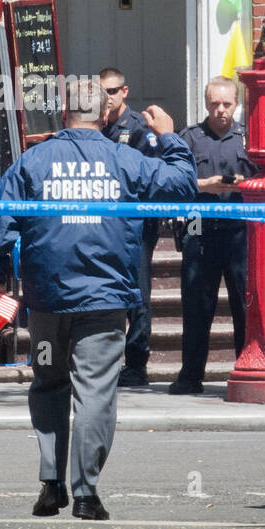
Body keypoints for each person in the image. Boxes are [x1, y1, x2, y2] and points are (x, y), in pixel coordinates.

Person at [0, 78, 198, 521]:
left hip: (47, 300)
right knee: (95, 393)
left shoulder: (33, 160)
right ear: (104, 115)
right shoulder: (125, 159)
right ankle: (85, 492)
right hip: (103, 298)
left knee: (47, 386)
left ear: (63, 114)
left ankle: (50, 483)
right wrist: (170, 136)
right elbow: (181, 185)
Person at [170, 76, 258, 395]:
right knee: (197, 305)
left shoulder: (249, 138)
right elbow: (173, 182)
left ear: (237, 104)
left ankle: (246, 371)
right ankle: (191, 375)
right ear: (206, 104)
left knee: (243, 305)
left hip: (239, 232)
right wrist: (204, 185)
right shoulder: (189, 138)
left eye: (226, 104)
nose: (220, 110)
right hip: (200, 229)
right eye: (214, 104)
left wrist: (242, 185)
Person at [97, 67, 161, 388]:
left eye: (112, 91)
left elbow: (149, 177)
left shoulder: (138, 129)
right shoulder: (96, 127)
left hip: (135, 227)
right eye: (102, 92)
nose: (106, 98)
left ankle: (136, 363)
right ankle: (107, 360)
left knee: (137, 294)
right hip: (105, 226)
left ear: (125, 91)